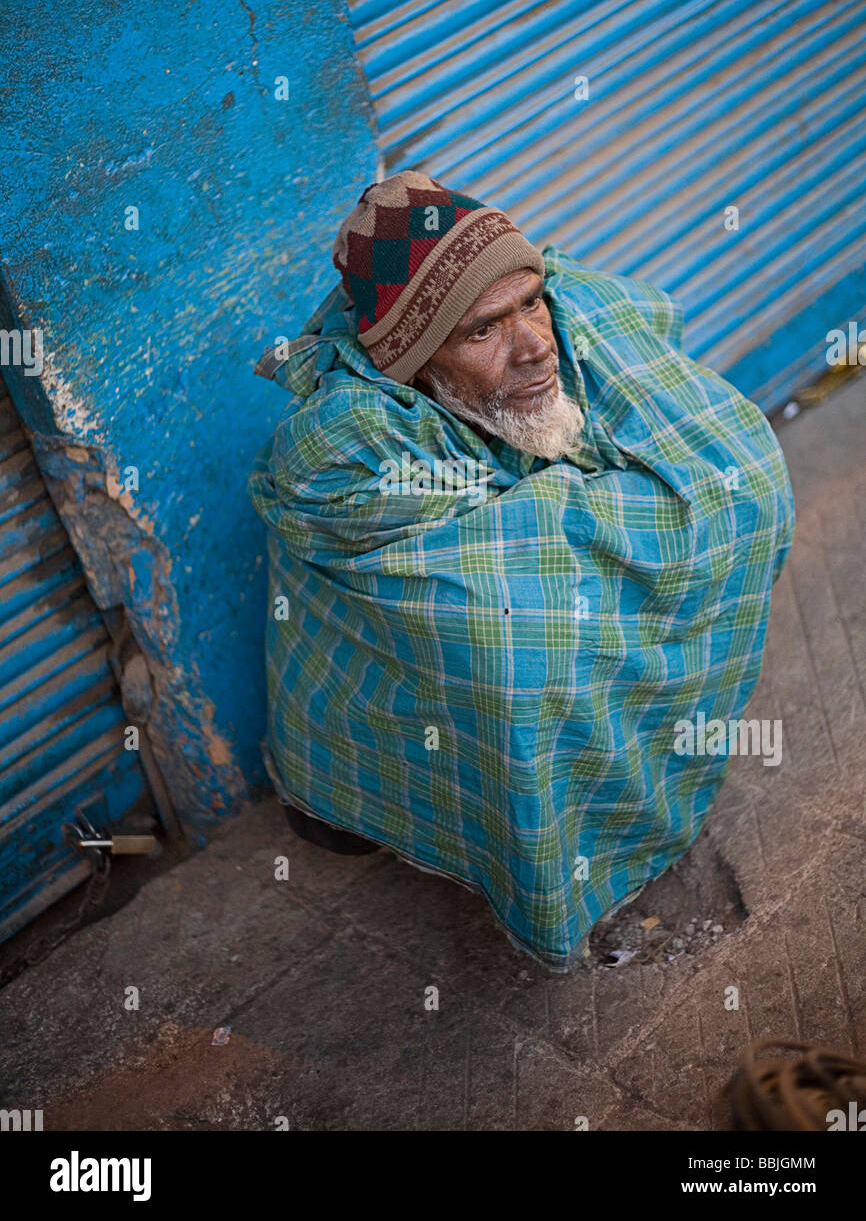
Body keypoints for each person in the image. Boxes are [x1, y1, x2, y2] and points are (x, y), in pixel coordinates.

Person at [248, 170, 795, 971]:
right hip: (374, 700)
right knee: (515, 648)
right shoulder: (347, 445)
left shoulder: (572, 318)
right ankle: (388, 819)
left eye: (530, 303)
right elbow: (515, 584)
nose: (536, 344)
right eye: (483, 331)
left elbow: (735, 476)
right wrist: (589, 508)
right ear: (414, 364)